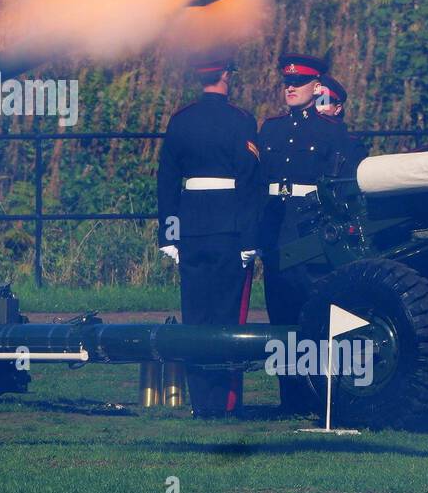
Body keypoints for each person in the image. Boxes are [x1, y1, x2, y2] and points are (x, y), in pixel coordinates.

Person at [156, 55, 265, 418]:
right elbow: (249, 184)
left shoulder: (180, 120)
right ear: (225, 77)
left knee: (196, 314)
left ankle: (202, 402)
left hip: (190, 230)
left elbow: (167, 182)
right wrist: (250, 240)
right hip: (229, 231)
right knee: (226, 316)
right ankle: (224, 400)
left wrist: (170, 236)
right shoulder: (241, 120)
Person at [258, 53, 364, 412]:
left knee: (316, 312)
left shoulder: (332, 132)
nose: (290, 88)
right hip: (275, 227)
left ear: (316, 87)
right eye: (286, 82)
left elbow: (344, 186)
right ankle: (291, 398)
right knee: (281, 315)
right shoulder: (271, 129)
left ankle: (323, 397)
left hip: (312, 230)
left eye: (298, 83)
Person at [312, 74, 367, 167]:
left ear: (337, 109)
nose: (316, 108)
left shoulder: (350, 145)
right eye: (312, 102)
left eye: (322, 102)